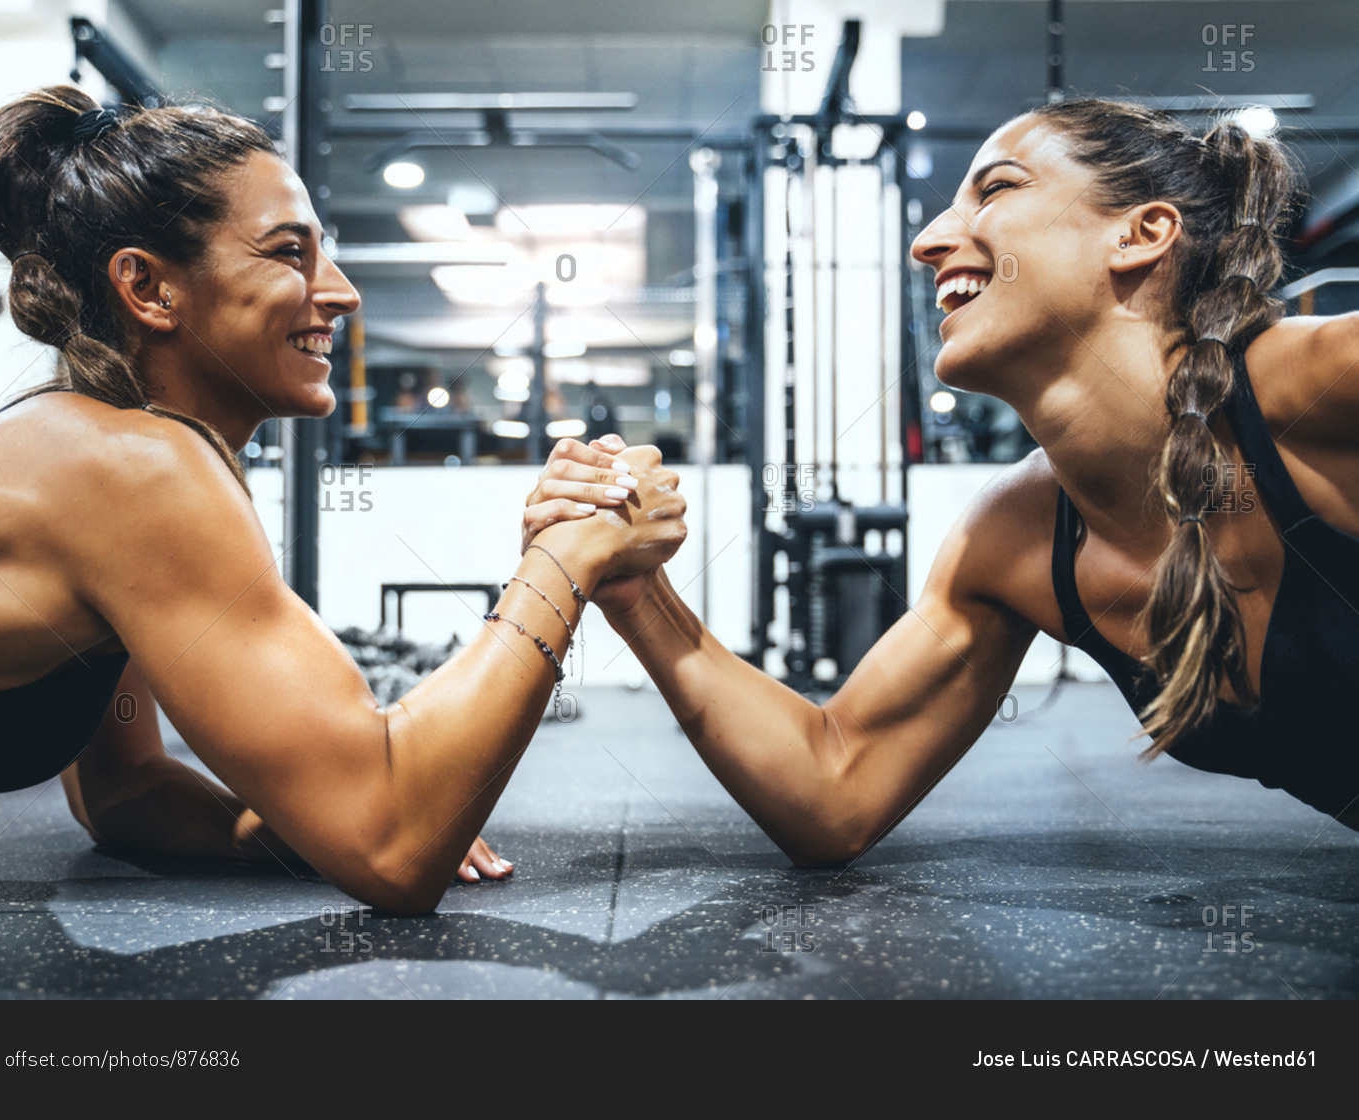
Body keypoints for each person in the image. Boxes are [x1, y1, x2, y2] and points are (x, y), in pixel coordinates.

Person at [0, 86, 686, 914]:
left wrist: (287, 828)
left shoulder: (108, 448)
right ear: (148, 288)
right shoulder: (121, 465)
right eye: (290, 253)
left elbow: (126, 789)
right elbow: (395, 846)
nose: (341, 291)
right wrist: (566, 556)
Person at [530, 98, 1359, 862]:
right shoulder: (1019, 539)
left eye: (994, 189)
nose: (928, 240)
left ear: (1139, 234)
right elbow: (835, 784)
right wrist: (640, 594)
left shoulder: (1322, 387)